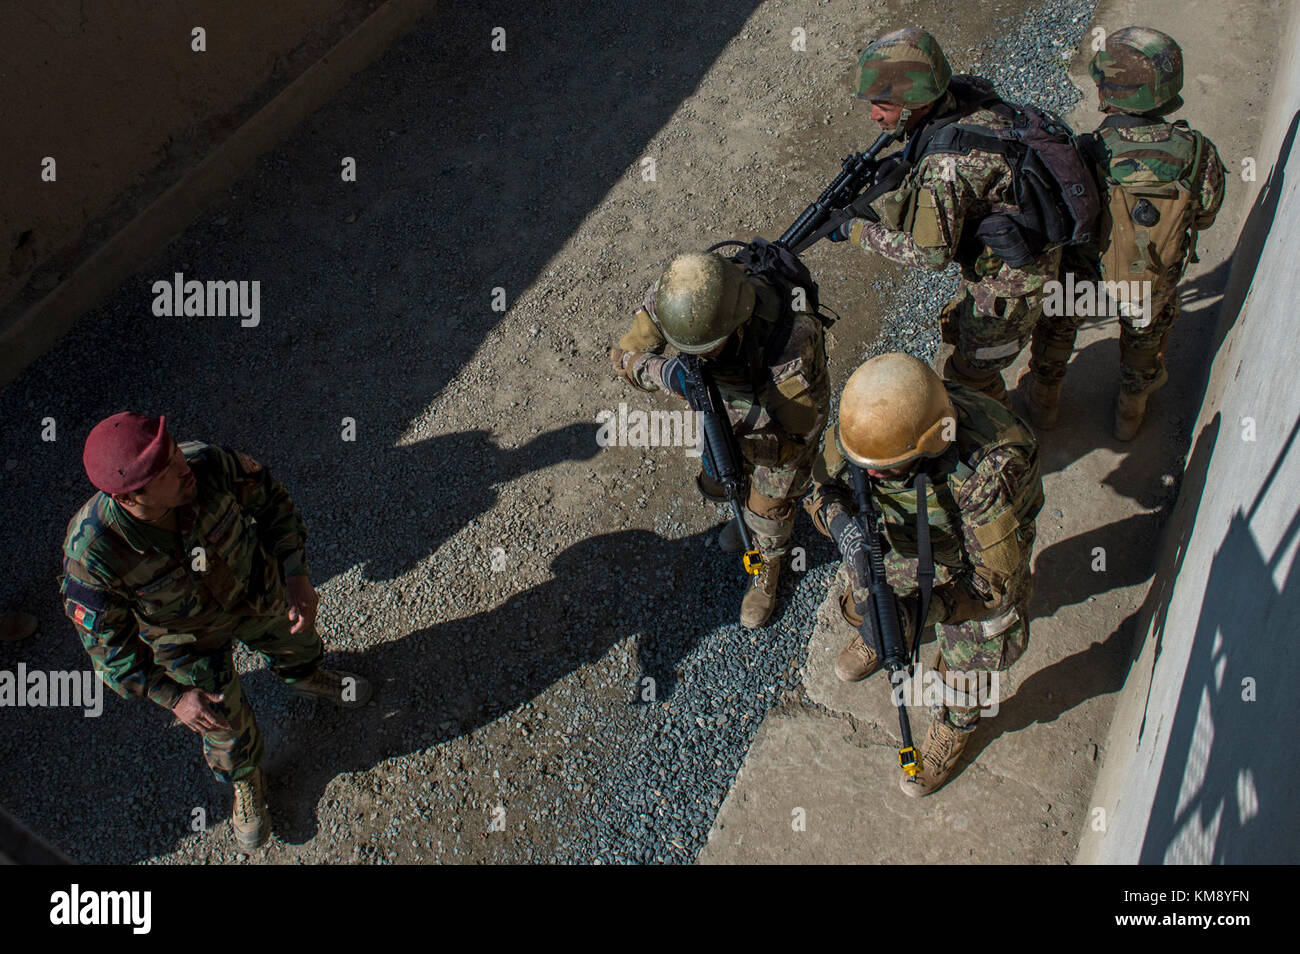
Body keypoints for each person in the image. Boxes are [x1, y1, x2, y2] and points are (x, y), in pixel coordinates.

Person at [61, 412, 371, 849]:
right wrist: (172, 698)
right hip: (187, 642)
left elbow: (273, 503)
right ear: (130, 498)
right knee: (219, 722)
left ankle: (307, 676)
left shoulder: (205, 463)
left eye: (173, 453)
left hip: (254, 591)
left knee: (299, 642)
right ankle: (246, 779)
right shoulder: (93, 553)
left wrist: (295, 573)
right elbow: (110, 652)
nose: (181, 465)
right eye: (166, 469)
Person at [805, 353, 1043, 796]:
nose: (871, 472)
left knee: (978, 649)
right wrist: (845, 532)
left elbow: (994, 586)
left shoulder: (987, 472)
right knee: (870, 594)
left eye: (884, 466)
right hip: (905, 538)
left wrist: (921, 612)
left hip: (970, 562)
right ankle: (881, 633)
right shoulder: (869, 427)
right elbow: (821, 484)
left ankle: (956, 721)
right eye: (867, 463)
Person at [830, 28, 1063, 408]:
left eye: (884, 106)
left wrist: (856, 230)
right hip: (1032, 247)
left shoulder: (946, 168)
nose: (874, 114)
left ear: (916, 103)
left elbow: (930, 255)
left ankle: (1008, 425)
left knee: (968, 379)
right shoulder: (967, 94)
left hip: (1013, 286)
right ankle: (1045, 396)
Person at [1020, 26, 1226, 439]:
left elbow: (1058, 221)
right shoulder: (1198, 152)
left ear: (1105, 93)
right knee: (1144, 337)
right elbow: (1204, 215)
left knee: (1058, 324)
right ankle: (1129, 413)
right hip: (1150, 278)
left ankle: (1045, 403)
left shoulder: (1083, 150)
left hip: (1083, 275)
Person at [610, 250, 830, 628]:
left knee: (768, 503)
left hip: (783, 427)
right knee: (718, 477)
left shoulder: (790, 343)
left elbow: (796, 436)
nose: (702, 355)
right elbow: (625, 354)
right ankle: (743, 499)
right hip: (724, 409)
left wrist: (743, 446)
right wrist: (663, 373)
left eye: (708, 347)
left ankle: (766, 564)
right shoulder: (678, 299)